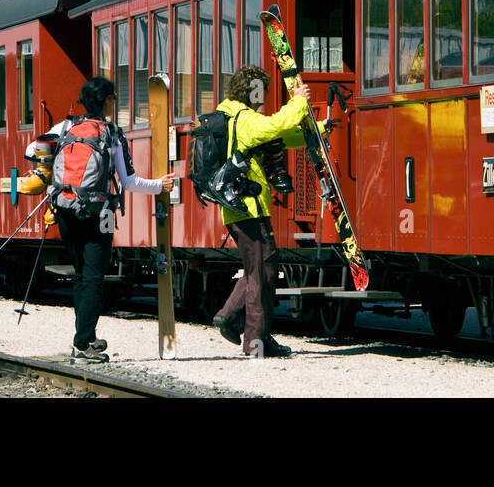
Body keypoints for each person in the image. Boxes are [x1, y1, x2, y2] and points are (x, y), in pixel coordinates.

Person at [28, 76, 175, 363]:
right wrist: (161, 185)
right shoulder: (112, 134)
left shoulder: (66, 127)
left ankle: (86, 337)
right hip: (100, 213)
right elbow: (129, 182)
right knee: (94, 277)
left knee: (81, 274)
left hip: (65, 209)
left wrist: (47, 172)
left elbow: (31, 151)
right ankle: (82, 345)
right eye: (113, 97)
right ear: (107, 100)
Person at [211, 64, 311, 358]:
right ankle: (257, 342)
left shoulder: (230, 116)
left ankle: (229, 316)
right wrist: (299, 100)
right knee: (263, 274)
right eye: (263, 91)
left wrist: (314, 132)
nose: (264, 97)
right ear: (253, 90)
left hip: (239, 209)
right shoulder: (244, 119)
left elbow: (273, 138)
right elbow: (273, 126)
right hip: (248, 208)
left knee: (258, 270)